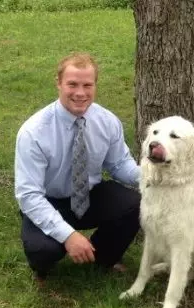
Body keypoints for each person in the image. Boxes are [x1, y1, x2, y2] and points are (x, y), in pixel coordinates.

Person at [14, 52, 141, 283]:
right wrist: (68, 235)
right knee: (43, 250)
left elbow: (119, 164)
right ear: (59, 83)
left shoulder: (107, 121)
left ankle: (102, 258)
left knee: (136, 204)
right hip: (49, 201)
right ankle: (44, 270)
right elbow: (29, 195)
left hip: (89, 196)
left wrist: (152, 176)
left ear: (95, 85)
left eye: (87, 85)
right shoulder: (33, 132)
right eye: (72, 84)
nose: (80, 93)